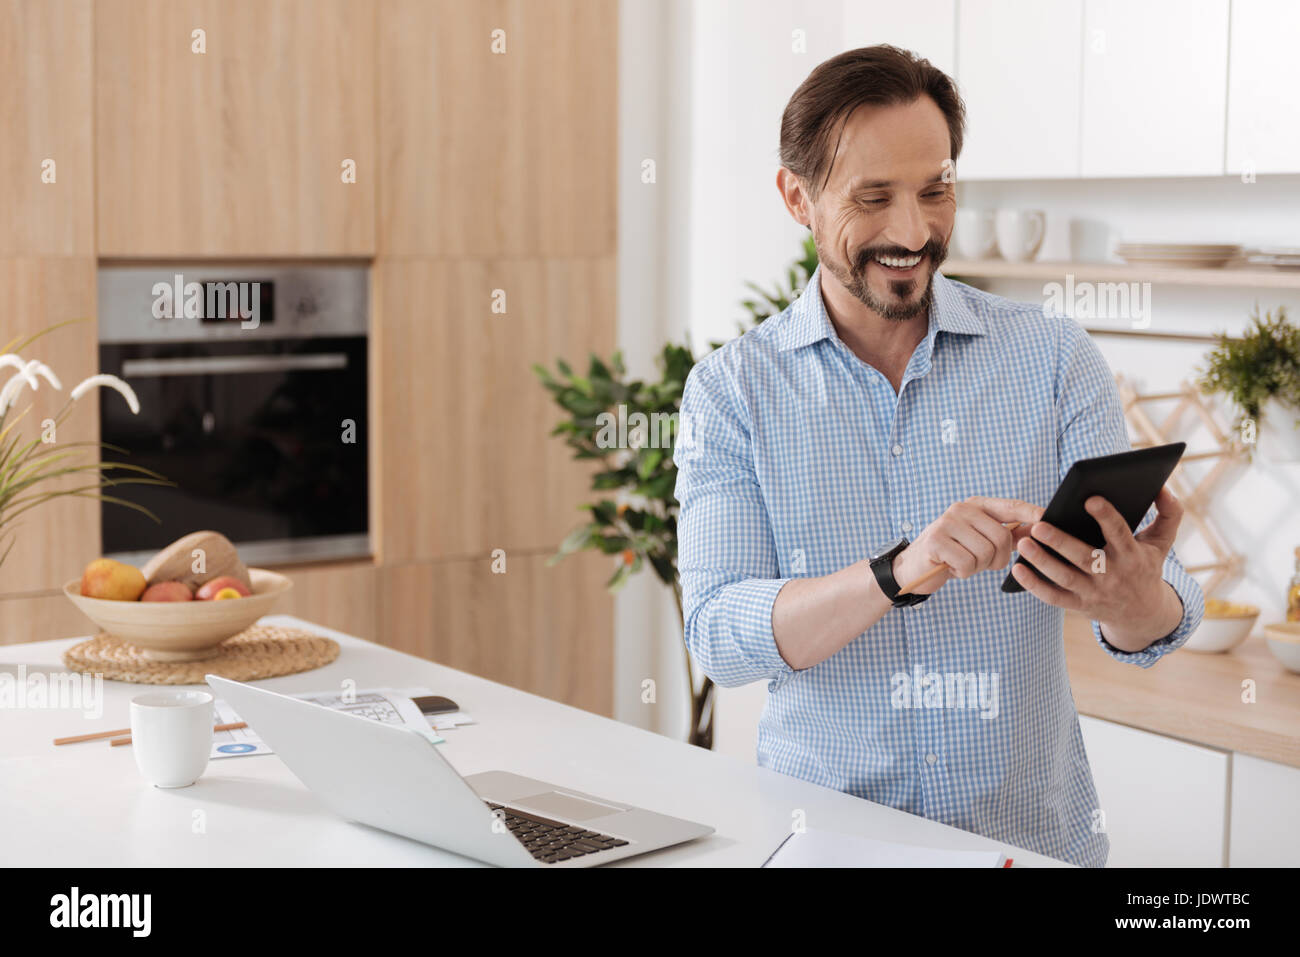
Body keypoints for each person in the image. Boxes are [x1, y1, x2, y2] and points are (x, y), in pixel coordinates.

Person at [673, 45, 1204, 867]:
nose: (913, 231)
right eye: (873, 197)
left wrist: (1135, 601)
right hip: (829, 847)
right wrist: (897, 571)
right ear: (797, 197)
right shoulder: (732, 392)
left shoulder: (1055, 360)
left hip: (1025, 846)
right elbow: (717, 634)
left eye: (935, 189)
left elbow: (1155, 609)